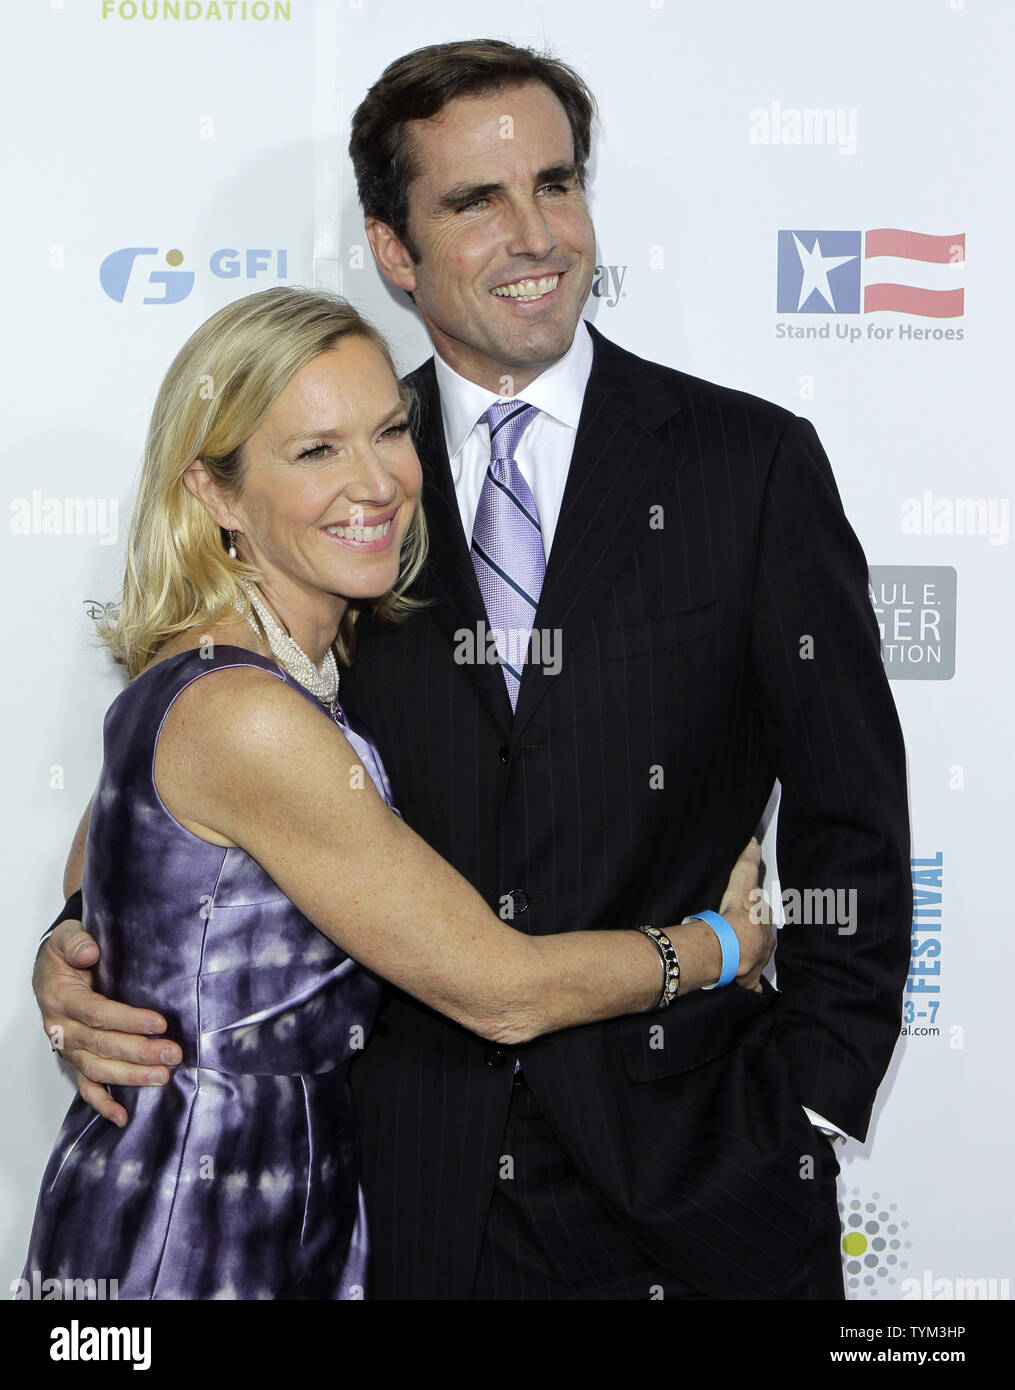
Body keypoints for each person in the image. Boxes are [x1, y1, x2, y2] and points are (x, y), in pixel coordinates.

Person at [35, 40, 911, 1301]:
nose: (534, 233)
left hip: (702, 1171)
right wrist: (78, 956)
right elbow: (191, 782)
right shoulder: (337, 485)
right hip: (399, 1190)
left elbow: (855, 816)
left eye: (556, 184)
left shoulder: (747, 464)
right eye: (474, 201)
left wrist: (811, 1107)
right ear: (392, 250)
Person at [21, 286, 771, 1301]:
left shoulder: (263, 667)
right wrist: (722, 946)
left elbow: (108, 869)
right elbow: (501, 991)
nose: (377, 481)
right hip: (193, 1223)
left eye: (388, 432)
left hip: (302, 1185)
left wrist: (67, 954)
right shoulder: (244, 713)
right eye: (316, 451)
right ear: (216, 490)